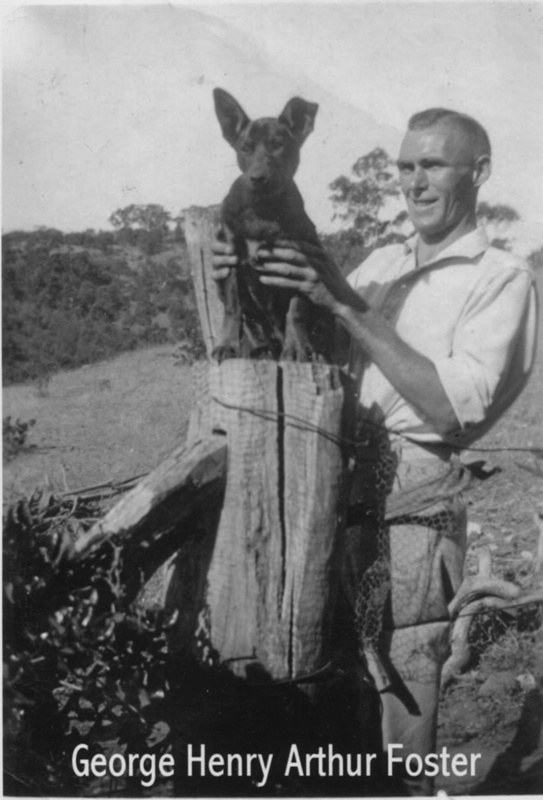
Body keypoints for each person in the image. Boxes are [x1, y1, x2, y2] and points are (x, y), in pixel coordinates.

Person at [211, 108, 538, 795]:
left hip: (409, 501)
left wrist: (345, 305)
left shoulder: (499, 276)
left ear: (476, 172)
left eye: (434, 166)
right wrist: (231, 268)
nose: (414, 183)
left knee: (400, 694)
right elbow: (306, 329)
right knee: (325, 683)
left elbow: (452, 406)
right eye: (405, 167)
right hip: (331, 481)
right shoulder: (384, 262)